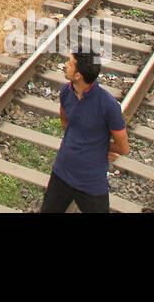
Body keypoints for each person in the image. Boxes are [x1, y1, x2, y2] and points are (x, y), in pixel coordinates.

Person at [39, 50, 128, 213]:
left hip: (91, 182)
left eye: (70, 63)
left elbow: (123, 148)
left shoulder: (109, 106)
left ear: (78, 75)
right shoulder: (66, 91)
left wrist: (96, 146)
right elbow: (65, 122)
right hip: (62, 173)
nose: (65, 65)